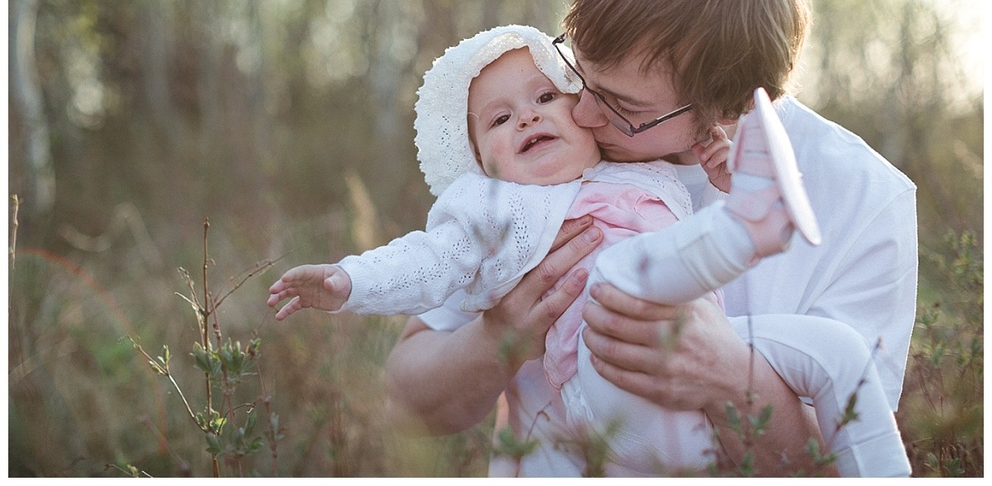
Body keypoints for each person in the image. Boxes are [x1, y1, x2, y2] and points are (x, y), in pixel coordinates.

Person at [383, 0, 918, 477]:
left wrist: (731, 381)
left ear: (727, 110)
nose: (582, 113)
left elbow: (845, 467)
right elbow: (404, 403)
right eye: (577, 72)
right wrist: (500, 336)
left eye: (622, 106)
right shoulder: (540, 144)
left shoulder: (863, 199)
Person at [268, 25, 909, 476]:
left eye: (548, 98)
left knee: (835, 351)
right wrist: (351, 283)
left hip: (698, 403)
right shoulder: (496, 209)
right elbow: (425, 266)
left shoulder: (643, 175)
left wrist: (729, 370)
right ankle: (746, 232)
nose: (531, 117)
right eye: (499, 119)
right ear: (477, 161)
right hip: (605, 384)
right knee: (621, 276)